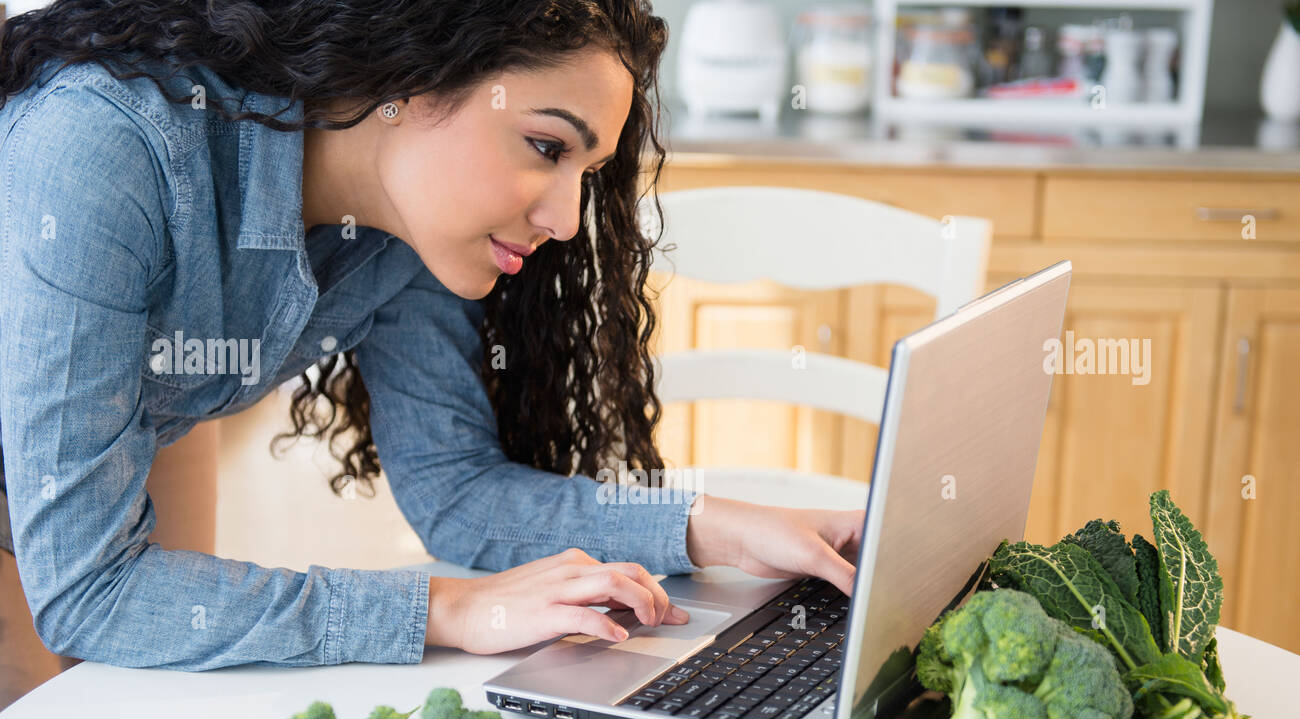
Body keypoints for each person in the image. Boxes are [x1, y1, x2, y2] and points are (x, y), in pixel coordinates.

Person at [0, 0, 864, 672]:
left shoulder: (404, 227)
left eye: (585, 174)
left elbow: (456, 492)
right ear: (411, 76)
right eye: (543, 145)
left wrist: (716, 525)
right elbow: (90, 592)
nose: (567, 220)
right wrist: (445, 610)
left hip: (126, 436)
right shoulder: (102, 151)